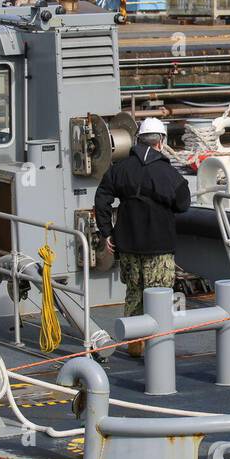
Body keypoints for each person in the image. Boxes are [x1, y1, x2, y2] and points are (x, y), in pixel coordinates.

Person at [93, 117, 190, 358]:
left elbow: (102, 198)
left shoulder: (120, 169)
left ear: (138, 140)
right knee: (159, 296)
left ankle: (135, 345)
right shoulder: (169, 174)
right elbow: (183, 204)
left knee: (134, 293)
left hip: (127, 244)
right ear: (161, 142)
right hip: (159, 246)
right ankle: (158, 349)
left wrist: (107, 232)